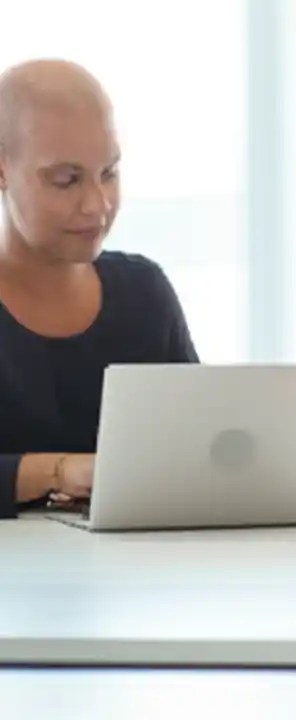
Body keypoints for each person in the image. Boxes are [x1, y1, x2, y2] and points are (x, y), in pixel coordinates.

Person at [0, 59, 198, 520]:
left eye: (108, 173)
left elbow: (198, 451)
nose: (98, 205)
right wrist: (56, 472)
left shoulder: (144, 296)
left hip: (132, 580)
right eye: (66, 180)